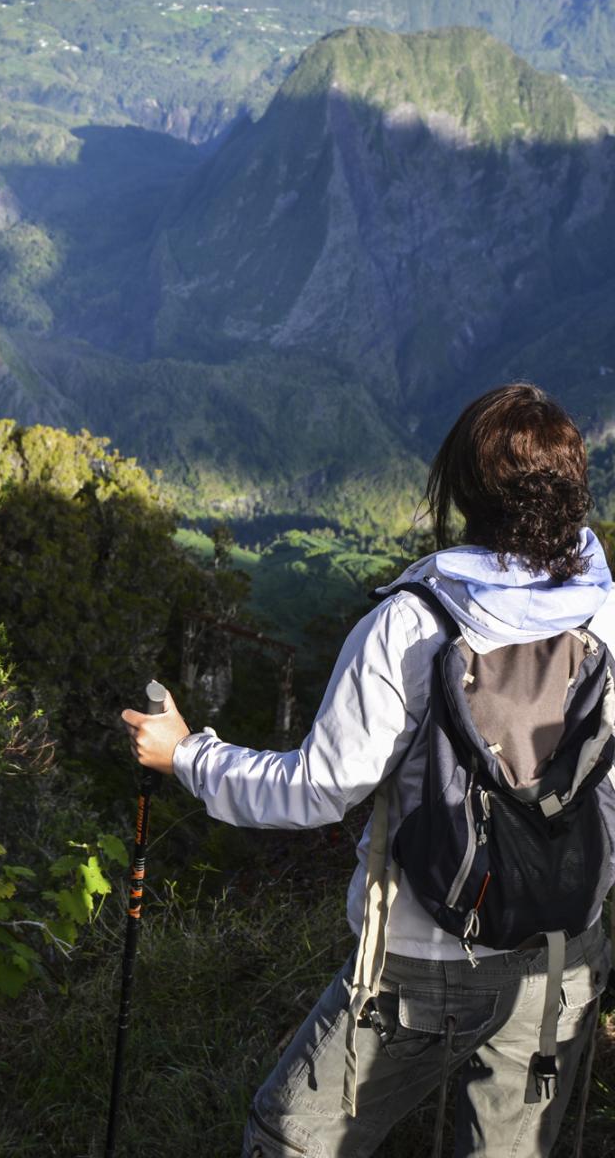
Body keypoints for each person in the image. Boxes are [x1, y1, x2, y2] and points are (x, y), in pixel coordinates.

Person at [122, 383, 615, 1157]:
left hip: (423, 966)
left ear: (465, 492)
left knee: (289, 1138)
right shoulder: (601, 605)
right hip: (565, 956)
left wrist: (187, 754)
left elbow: (318, 788)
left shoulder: (413, 625)